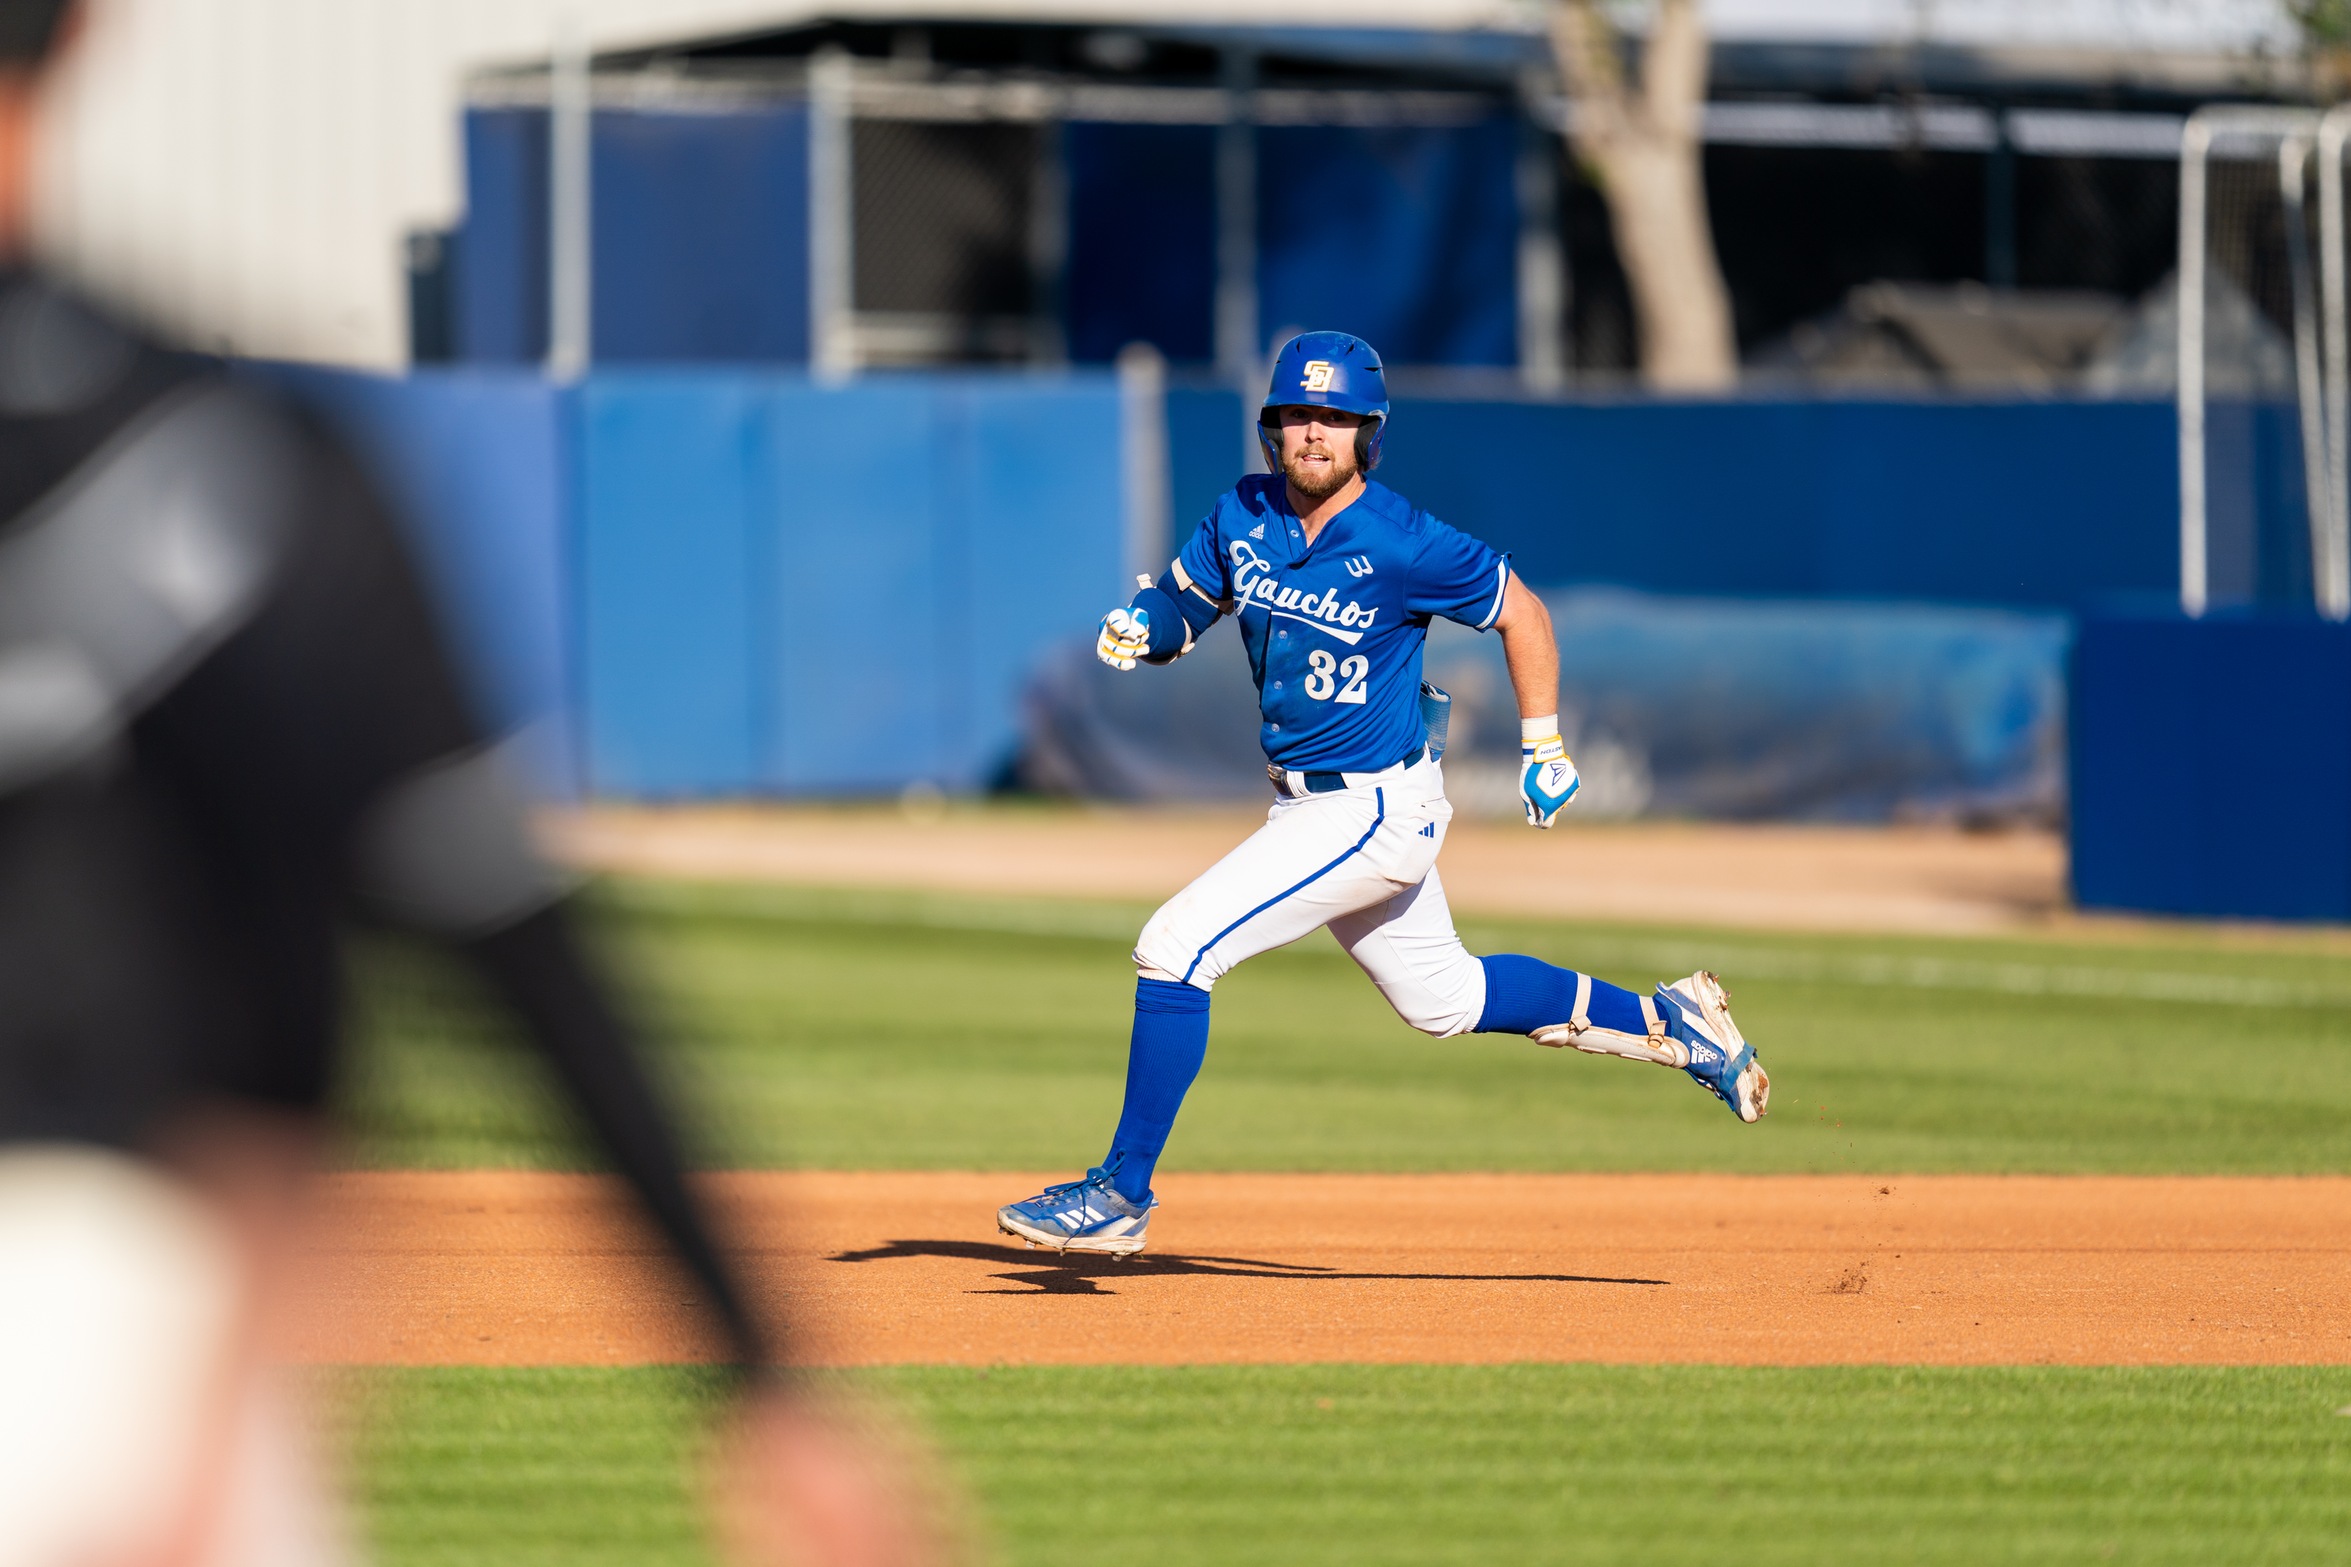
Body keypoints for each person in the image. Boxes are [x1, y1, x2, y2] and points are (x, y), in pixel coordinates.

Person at [0, 4, 944, 1563]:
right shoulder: (233, 455)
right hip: (106, 1320)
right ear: (89, 36)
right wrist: (764, 1376)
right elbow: (501, 934)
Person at [998, 331, 1771, 1256]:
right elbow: (1184, 604)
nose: (1312, 433)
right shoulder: (1239, 517)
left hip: (1370, 808)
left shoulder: (1404, 541)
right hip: (1307, 805)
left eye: (1333, 418)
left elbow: (1522, 610)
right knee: (1443, 996)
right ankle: (1673, 1023)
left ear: (1368, 433)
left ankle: (1119, 1194)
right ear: (1270, 429)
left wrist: (1542, 741)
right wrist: (1144, 625)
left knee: (1174, 948)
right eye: (1295, 416)